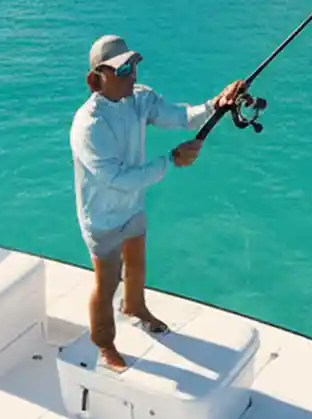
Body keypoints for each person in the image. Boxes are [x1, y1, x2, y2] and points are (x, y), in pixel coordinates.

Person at [70, 34, 245, 371]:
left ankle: (135, 307)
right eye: (122, 71)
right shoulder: (88, 125)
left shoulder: (139, 98)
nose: (132, 75)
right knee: (106, 282)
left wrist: (215, 104)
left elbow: (183, 117)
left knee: (136, 264)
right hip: (102, 216)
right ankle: (104, 343)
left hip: (133, 205)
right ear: (96, 79)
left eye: (133, 66)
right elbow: (116, 179)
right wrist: (171, 161)